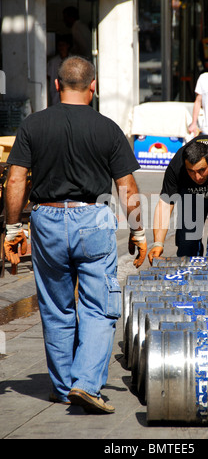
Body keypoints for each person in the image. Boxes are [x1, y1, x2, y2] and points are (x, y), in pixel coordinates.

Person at [4, 56, 147, 414]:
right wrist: (138, 231)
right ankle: (86, 384)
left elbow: (16, 178)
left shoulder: (33, 125)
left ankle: (63, 385)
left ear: (56, 85)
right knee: (99, 308)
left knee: (55, 308)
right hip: (93, 220)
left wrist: (12, 228)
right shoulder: (107, 128)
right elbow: (126, 185)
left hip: (46, 220)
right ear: (93, 87)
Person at [148, 134, 208, 265]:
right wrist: (158, 243)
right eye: (191, 171)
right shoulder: (176, 166)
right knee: (187, 245)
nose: (197, 177)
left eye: (202, 170)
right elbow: (165, 204)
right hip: (191, 193)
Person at [47, 35, 70, 105]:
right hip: (55, 92)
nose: (61, 47)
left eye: (63, 45)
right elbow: (48, 76)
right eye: (59, 45)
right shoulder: (53, 62)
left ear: (68, 46)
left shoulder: (73, 60)